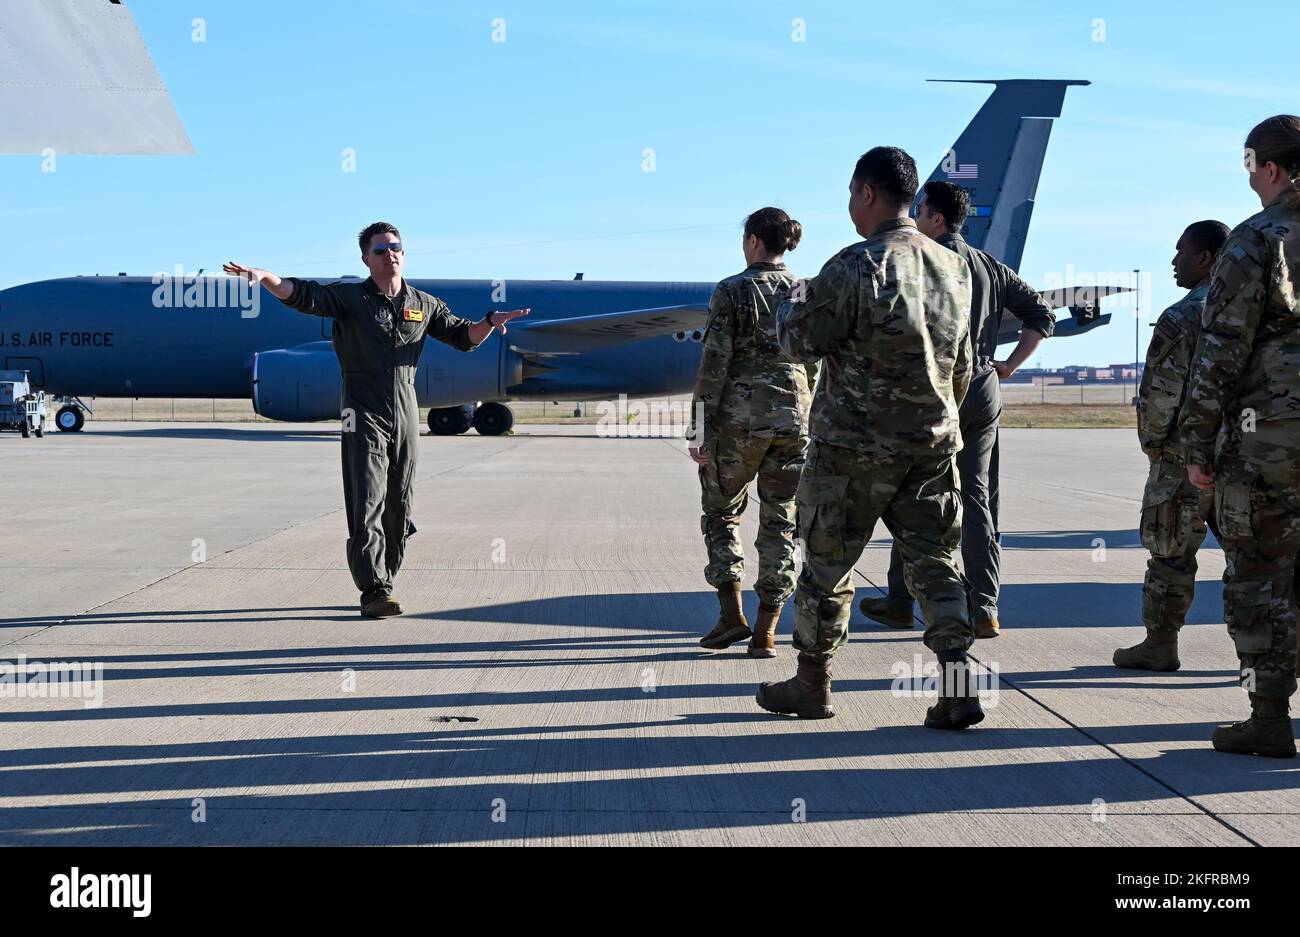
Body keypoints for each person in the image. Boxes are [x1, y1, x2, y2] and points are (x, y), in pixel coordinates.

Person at [758, 147, 981, 729]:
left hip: (853, 448)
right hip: (932, 443)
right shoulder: (954, 266)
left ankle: (813, 684)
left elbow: (798, 344)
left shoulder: (856, 264)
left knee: (827, 566)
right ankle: (958, 684)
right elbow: (962, 362)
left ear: (865, 191)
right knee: (934, 561)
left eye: (851, 194)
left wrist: (790, 302)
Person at [224, 222, 528, 618]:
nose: (391, 254)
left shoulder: (424, 302)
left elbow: (462, 338)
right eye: (381, 250)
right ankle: (374, 588)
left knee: (399, 502)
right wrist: (266, 277)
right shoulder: (350, 298)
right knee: (367, 496)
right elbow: (301, 295)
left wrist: (489, 322)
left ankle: (387, 574)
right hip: (361, 406)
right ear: (366, 258)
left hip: (405, 404)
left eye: (395, 247)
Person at [858, 180, 1054, 638]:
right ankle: (984, 605)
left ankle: (901, 599)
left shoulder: (920, 262)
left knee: (913, 488)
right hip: (984, 386)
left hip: (934, 388)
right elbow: (1042, 314)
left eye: (920, 211)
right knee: (978, 496)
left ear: (936, 219)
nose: (914, 217)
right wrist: (1009, 365)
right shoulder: (990, 266)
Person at [1180, 115, 1300, 758]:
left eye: (1250, 165)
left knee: (1259, 579)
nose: (1250, 177)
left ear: (1271, 169)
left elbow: (1220, 352)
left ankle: (1269, 716)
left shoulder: (1257, 240)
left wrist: (1197, 444)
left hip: (1268, 447)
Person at [688, 208, 815, 658]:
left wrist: (698, 428)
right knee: (781, 521)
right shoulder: (803, 289)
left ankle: (730, 615)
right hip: (793, 421)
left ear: (754, 241)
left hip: (738, 424)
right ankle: (766, 630)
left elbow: (714, 363)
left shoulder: (733, 290)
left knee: (722, 513)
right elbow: (814, 358)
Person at [1113, 220, 1230, 671]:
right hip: (1243, 454)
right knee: (1254, 558)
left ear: (1205, 258)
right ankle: (1280, 652)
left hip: (1183, 455)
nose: (1173, 261)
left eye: (1181, 252)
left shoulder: (1183, 316)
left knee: (1170, 550)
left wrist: (1156, 445)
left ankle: (1161, 643)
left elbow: (1160, 393)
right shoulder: (1255, 311)